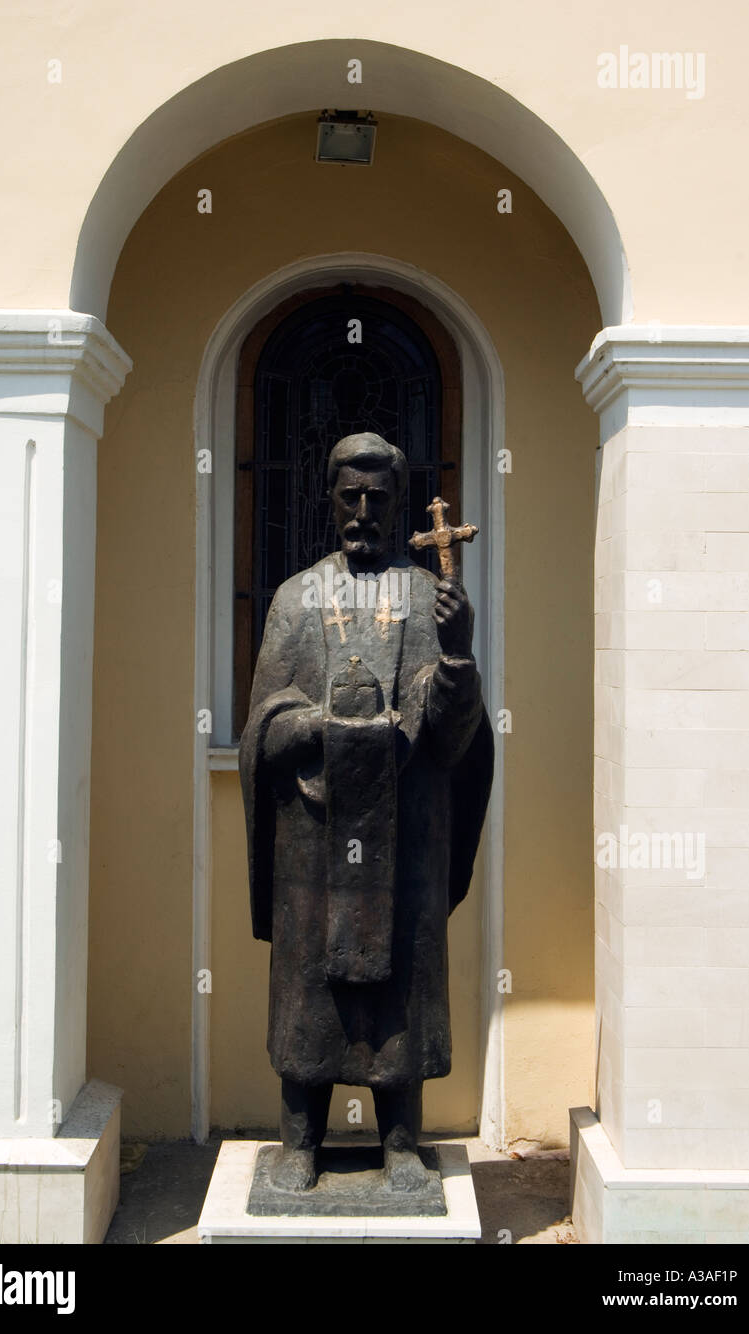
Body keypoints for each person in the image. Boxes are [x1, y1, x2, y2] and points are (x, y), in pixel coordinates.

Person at [239, 432, 493, 1192]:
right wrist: (313, 727)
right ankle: (298, 1142)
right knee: (309, 988)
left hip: (405, 828)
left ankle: (403, 1143)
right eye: (349, 495)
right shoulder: (295, 597)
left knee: (401, 985)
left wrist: (455, 655)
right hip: (311, 839)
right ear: (329, 499)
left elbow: (454, 736)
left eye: (377, 499)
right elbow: (262, 727)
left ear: (399, 507)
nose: (362, 511)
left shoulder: (426, 596)